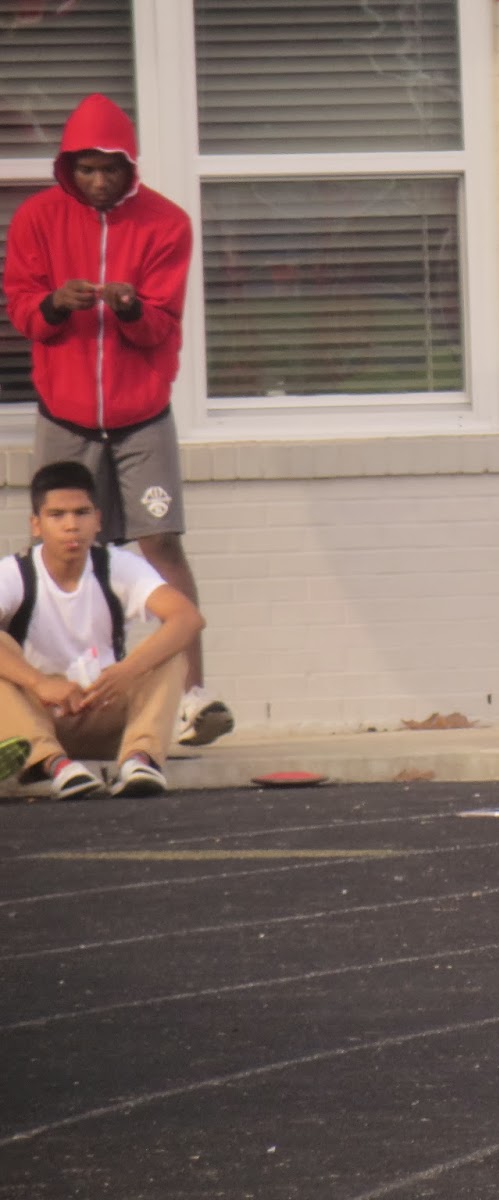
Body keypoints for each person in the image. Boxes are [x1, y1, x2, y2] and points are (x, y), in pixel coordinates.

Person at [2, 91, 233, 748]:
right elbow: (21, 312)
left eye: (110, 168)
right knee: (62, 548)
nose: (98, 181)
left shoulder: (165, 223)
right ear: (66, 166)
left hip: (141, 417)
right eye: (85, 168)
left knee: (160, 545)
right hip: (66, 417)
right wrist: (55, 304)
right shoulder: (38, 220)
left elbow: (163, 326)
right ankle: (51, 685)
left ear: (131, 167)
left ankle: (191, 696)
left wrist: (129, 307)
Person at [0, 460, 203, 799]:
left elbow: (188, 618)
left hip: (103, 707)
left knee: (170, 652)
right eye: (57, 515)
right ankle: (54, 766)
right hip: (36, 714)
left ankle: (140, 761)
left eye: (81, 514)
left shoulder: (117, 565)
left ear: (98, 521)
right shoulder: (14, 573)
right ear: (36, 525)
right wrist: (40, 683)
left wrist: (127, 671)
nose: (71, 526)